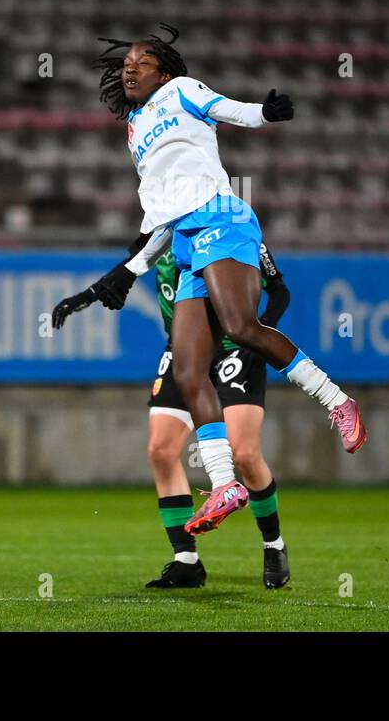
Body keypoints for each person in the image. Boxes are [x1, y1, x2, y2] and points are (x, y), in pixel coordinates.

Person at [69, 24, 366, 538]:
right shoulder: (136, 129)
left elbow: (231, 109)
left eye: (142, 60)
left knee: (242, 326)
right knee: (188, 370)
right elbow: (160, 218)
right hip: (185, 242)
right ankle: (226, 485)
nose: (130, 68)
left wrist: (264, 114)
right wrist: (127, 272)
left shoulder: (183, 91)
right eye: (126, 65)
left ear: (164, 68)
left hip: (222, 221)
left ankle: (338, 401)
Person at [55, 235, 292, 589]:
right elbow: (127, 269)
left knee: (244, 454)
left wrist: (258, 337)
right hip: (184, 350)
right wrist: (85, 298)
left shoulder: (232, 229)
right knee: (161, 450)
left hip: (234, 350)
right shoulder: (162, 228)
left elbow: (279, 290)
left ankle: (273, 544)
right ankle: (187, 561)